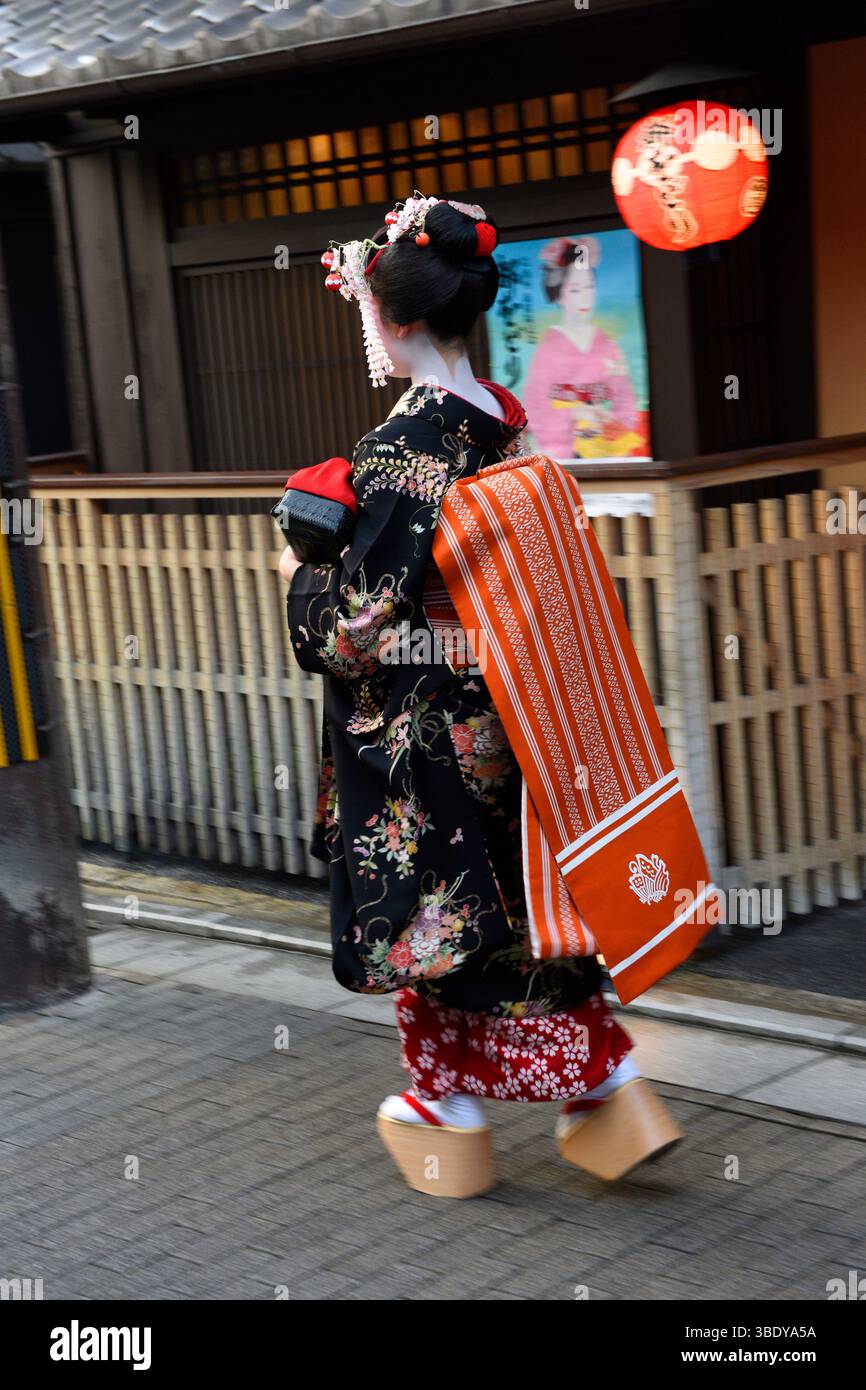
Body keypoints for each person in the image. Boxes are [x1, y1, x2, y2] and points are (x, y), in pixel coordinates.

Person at [279, 195, 679, 1197]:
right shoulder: (505, 420)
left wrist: (300, 569)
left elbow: (358, 626)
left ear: (399, 320)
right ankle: (606, 1086)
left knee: (438, 922)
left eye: (369, 312)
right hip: (512, 707)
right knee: (525, 909)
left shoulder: (398, 450)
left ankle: (448, 1110)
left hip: (423, 731)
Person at [522, 235, 643, 460]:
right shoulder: (548, 350)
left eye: (589, 287)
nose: (585, 297)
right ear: (559, 295)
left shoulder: (607, 345)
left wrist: (608, 423)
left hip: (603, 448)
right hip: (561, 453)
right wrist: (575, 413)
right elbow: (534, 408)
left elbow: (625, 403)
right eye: (576, 290)